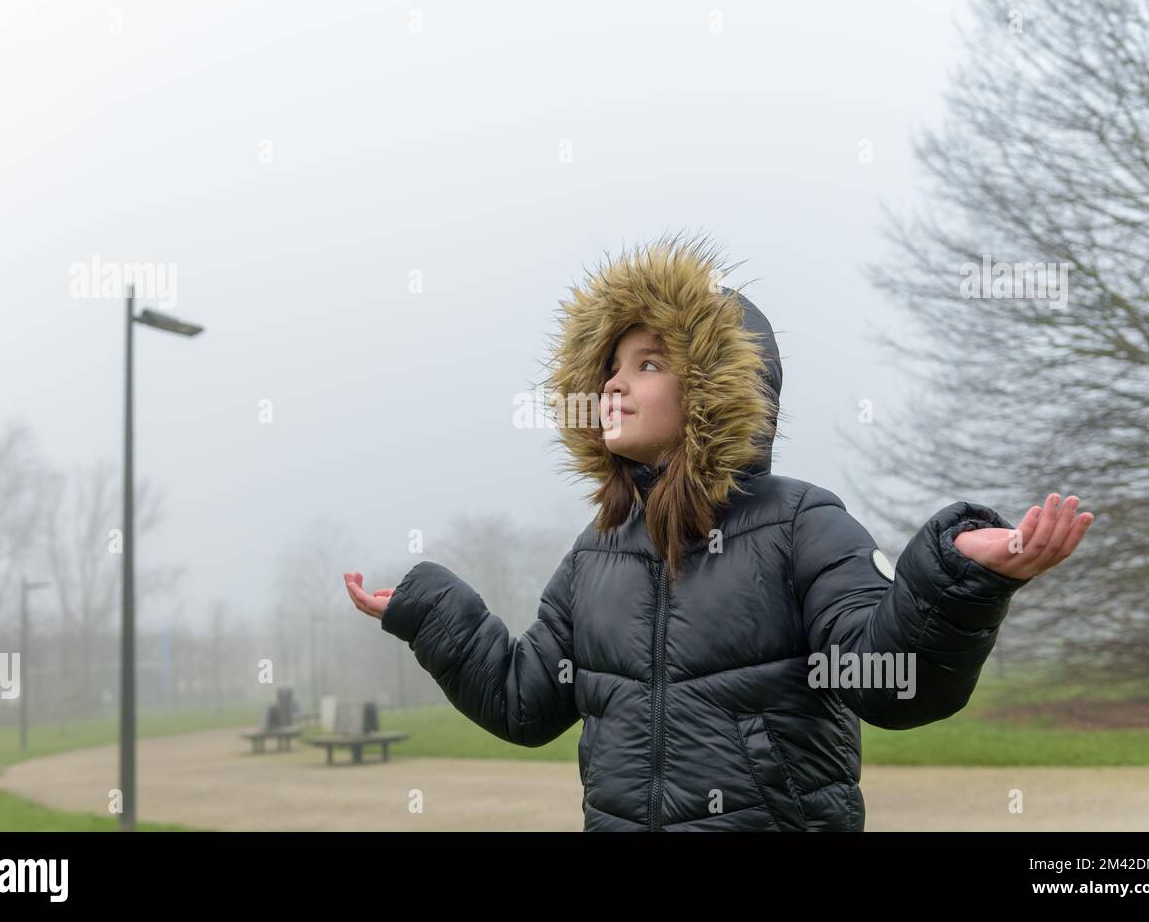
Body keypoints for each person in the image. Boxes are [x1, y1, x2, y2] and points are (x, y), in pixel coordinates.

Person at [344, 232, 1094, 831]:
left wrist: (957, 575)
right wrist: (430, 609)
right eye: (610, 365)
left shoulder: (802, 523)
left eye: (646, 363)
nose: (614, 382)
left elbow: (895, 682)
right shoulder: (593, 553)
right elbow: (523, 701)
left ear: (710, 390)